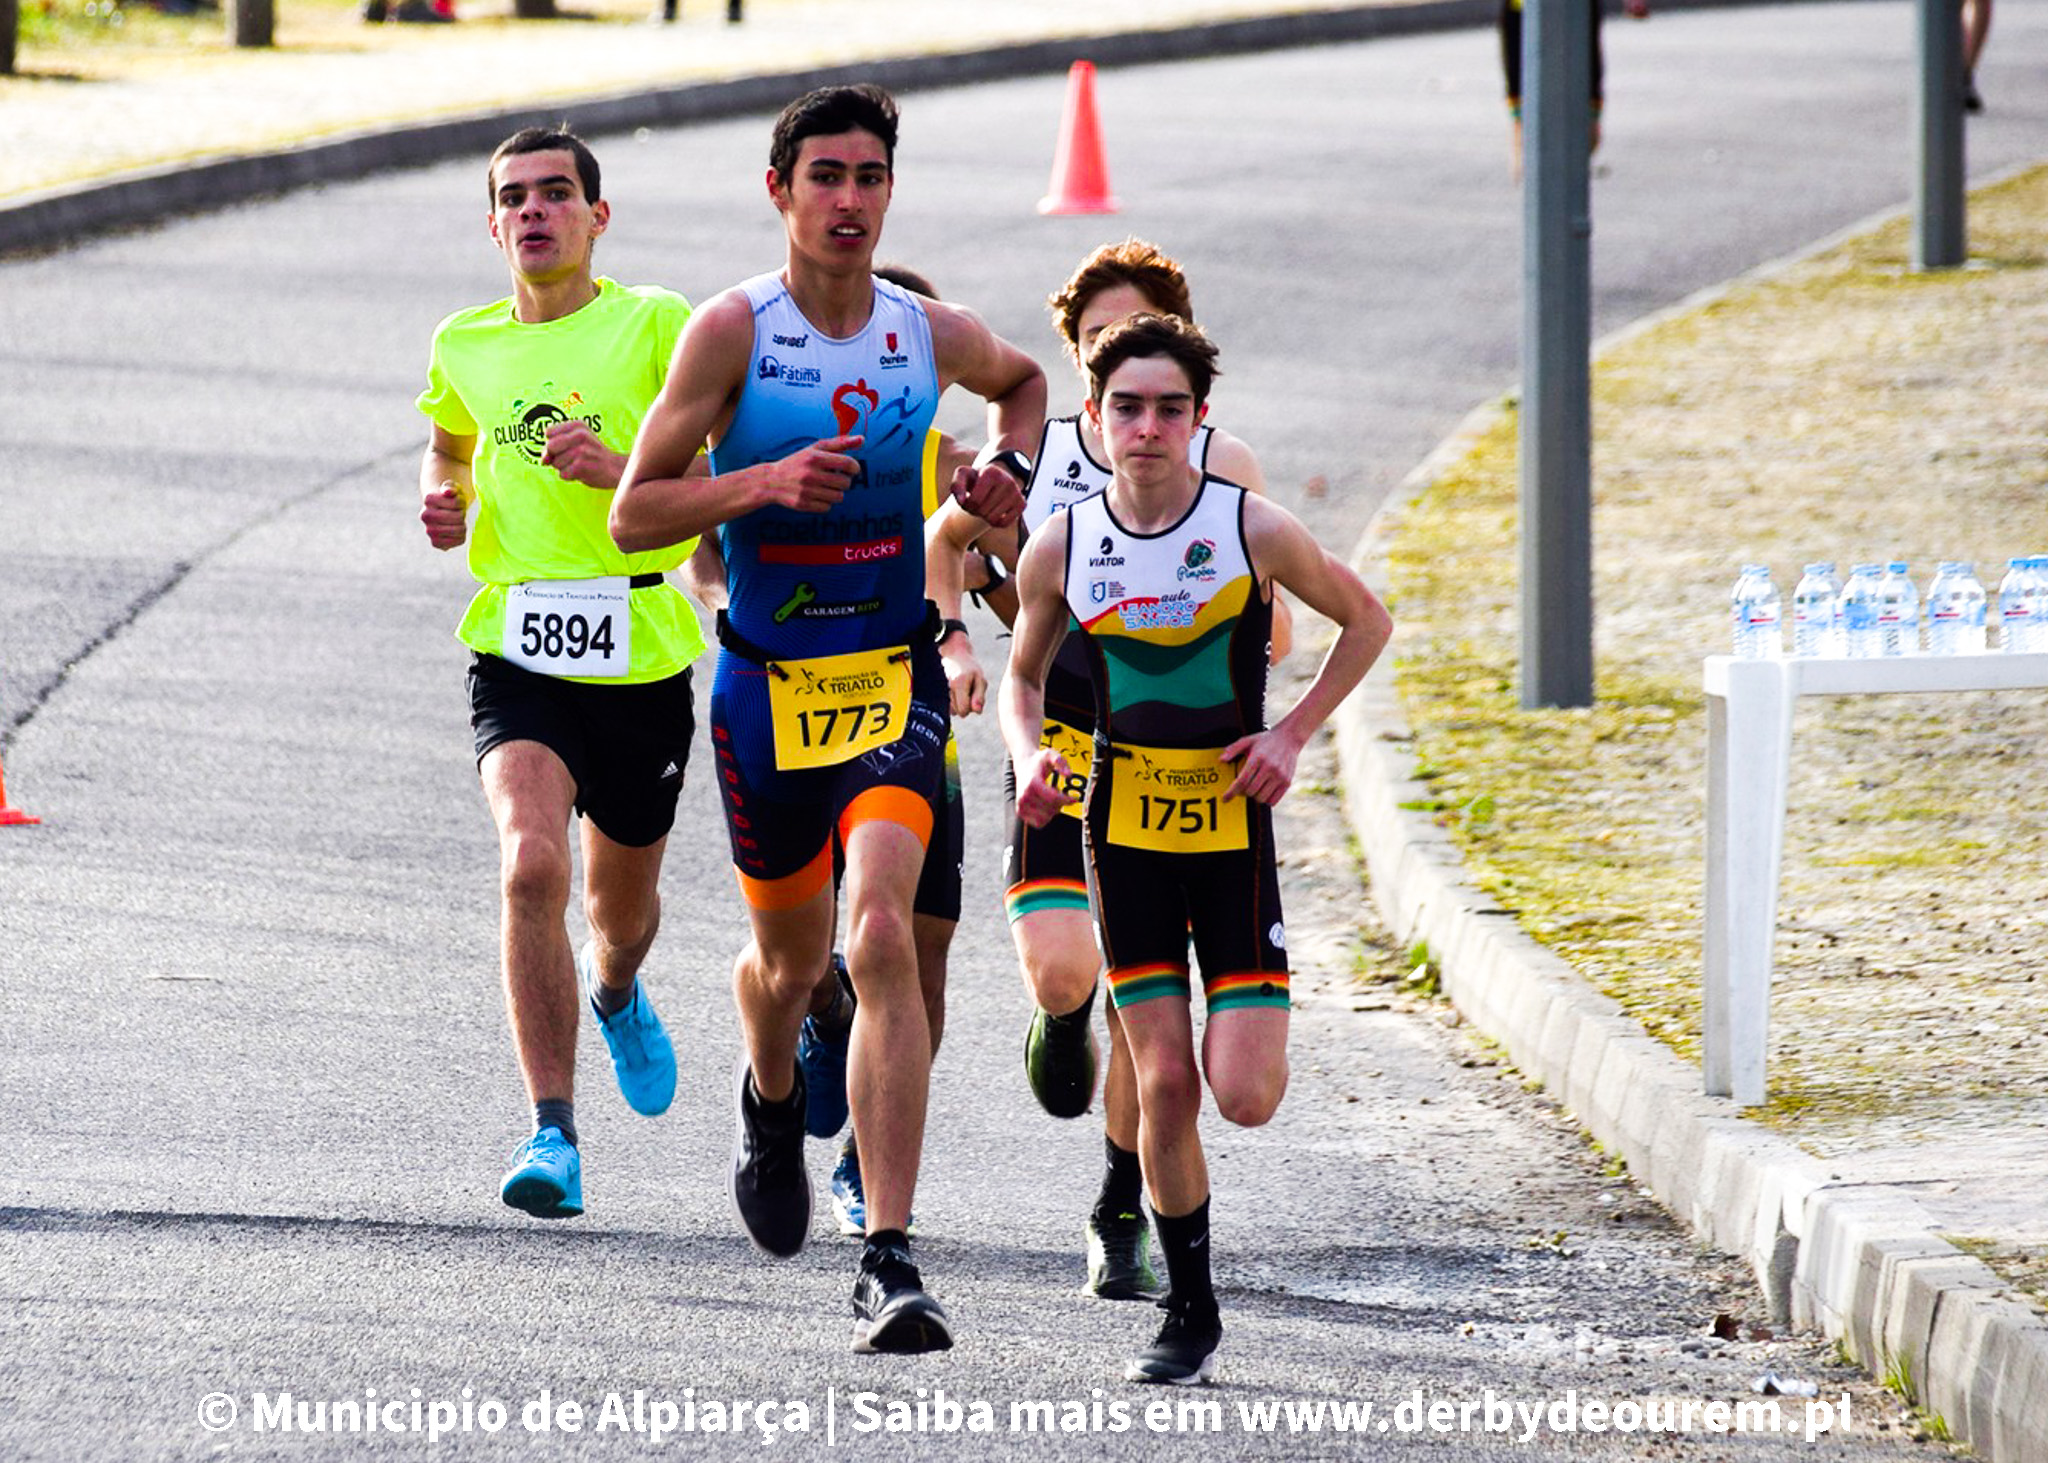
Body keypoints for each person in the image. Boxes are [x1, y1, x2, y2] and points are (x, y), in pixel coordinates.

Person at [610, 83, 1043, 1354]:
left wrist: (1003, 469)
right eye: (825, 178)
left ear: (888, 191)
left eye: (869, 178)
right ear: (779, 192)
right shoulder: (730, 332)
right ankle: (768, 1089)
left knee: (883, 935)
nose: (849, 201)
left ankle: (888, 1255)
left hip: (891, 679)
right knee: (791, 965)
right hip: (764, 693)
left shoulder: (924, 332)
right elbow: (635, 515)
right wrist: (759, 482)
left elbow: (1024, 384)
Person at [1000, 313, 1391, 1384]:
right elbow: (1022, 677)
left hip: (1231, 839)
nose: (1147, 428)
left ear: (1198, 418)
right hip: (1121, 835)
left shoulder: (1250, 527)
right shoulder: (1062, 543)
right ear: (1093, 417)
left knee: (1244, 1091)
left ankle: (1189, 1256)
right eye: (1126, 407)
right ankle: (1189, 1306)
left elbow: (1366, 619)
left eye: (1169, 409)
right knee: (1164, 1077)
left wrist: (1289, 734)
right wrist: (1029, 754)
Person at [926, 238, 1289, 1305]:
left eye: (1132, 338)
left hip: (1174, 767)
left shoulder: (1220, 465)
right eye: (1093, 343)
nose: (1117, 369)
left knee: (1150, 1011)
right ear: (1079, 362)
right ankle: (1061, 1016)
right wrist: (957, 632)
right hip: (1063, 741)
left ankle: (1120, 1199)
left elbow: (1275, 614)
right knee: (1061, 973)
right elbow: (943, 546)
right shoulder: (1037, 456)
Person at [415, 126, 705, 1221]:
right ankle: (553, 1130)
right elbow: (448, 443)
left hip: (640, 649)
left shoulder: (657, 324)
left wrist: (622, 470)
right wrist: (441, 496)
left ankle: (616, 986)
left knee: (617, 913)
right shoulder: (464, 343)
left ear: (597, 216)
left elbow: (719, 472)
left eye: (554, 193)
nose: (533, 211)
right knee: (530, 865)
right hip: (517, 644)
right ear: (493, 226)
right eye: (514, 199)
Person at [799, 262, 984, 1239]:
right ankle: (823, 1009)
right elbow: (716, 549)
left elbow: (1021, 575)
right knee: (809, 949)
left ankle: (861, 1163)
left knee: (918, 948)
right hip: (801, 718)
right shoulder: (793, 441)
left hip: (914, 729)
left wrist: (978, 596)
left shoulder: (959, 469)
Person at [1498, 0, 1650, 174]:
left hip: (1577, 11)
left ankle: (1572, 159)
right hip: (1522, 11)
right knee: (1527, 126)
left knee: (1585, 127)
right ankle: (1533, 158)